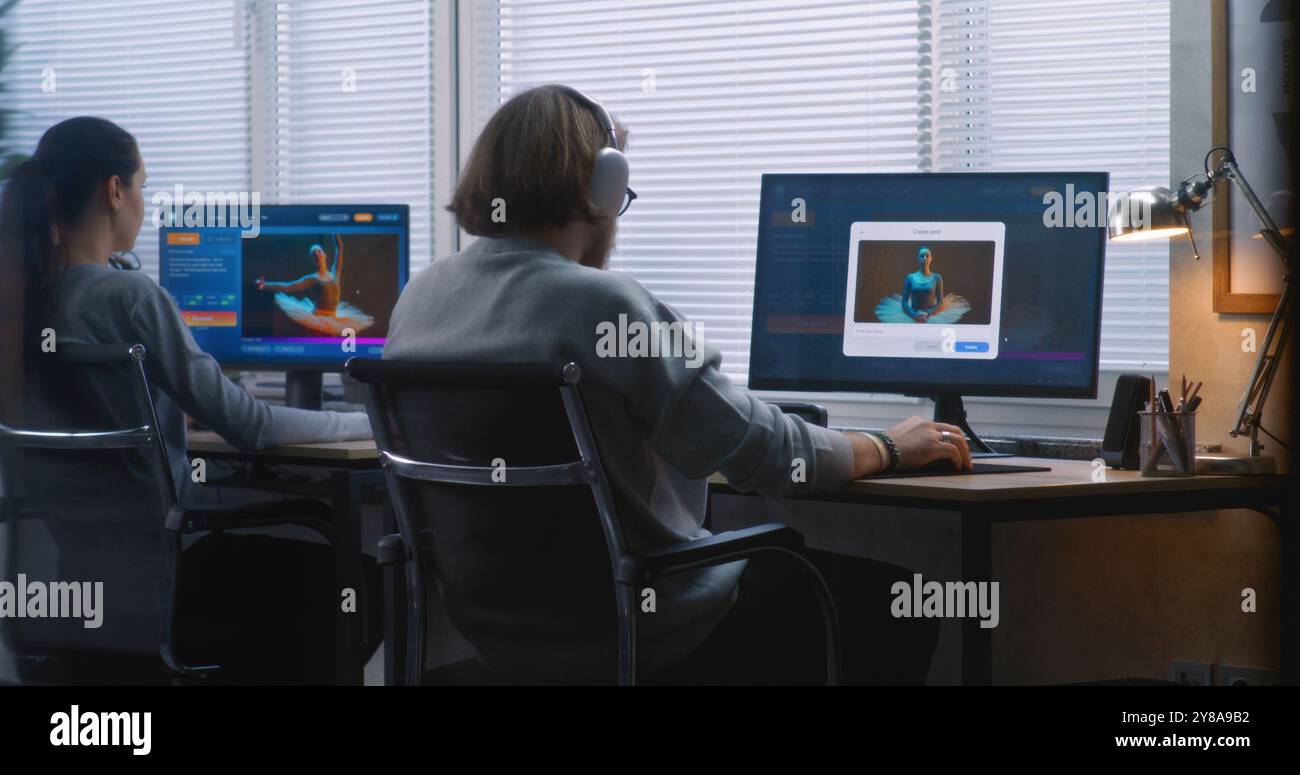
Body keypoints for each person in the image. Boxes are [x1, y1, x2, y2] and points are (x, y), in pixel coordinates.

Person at [385, 86, 974, 684]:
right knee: (900, 597)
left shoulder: (418, 301)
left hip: (503, 638)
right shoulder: (602, 304)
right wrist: (889, 447)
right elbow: (769, 455)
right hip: (647, 627)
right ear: (604, 189)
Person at [0, 117, 379, 683]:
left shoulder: (17, 305)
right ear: (114, 191)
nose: (145, 202)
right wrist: (367, 421)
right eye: (144, 186)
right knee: (362, 582)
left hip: (67, 593)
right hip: (167, 585)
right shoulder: (131, 296)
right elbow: (249, 425)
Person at [255, 234, 375, 336]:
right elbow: (288, 286)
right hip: (318, 319)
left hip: (333, 319)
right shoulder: (312, 279)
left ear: (324, 255)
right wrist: (265, 285)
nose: (317, 254)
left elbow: (340, 247)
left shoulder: (335, 273)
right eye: (314, 254)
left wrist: (333, 226)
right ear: (313, 259)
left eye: (319, 251)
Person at [875, 245, 971, 324]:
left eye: (927, 255)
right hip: (913, 314)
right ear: (918, 258)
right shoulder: (910, 278)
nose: (924, 258)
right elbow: (904, 302)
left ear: (931, 258)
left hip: (930, 315)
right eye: (922, 256)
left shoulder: (937, 277)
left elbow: (940, 301)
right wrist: (913, 315)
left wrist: (928, 313)